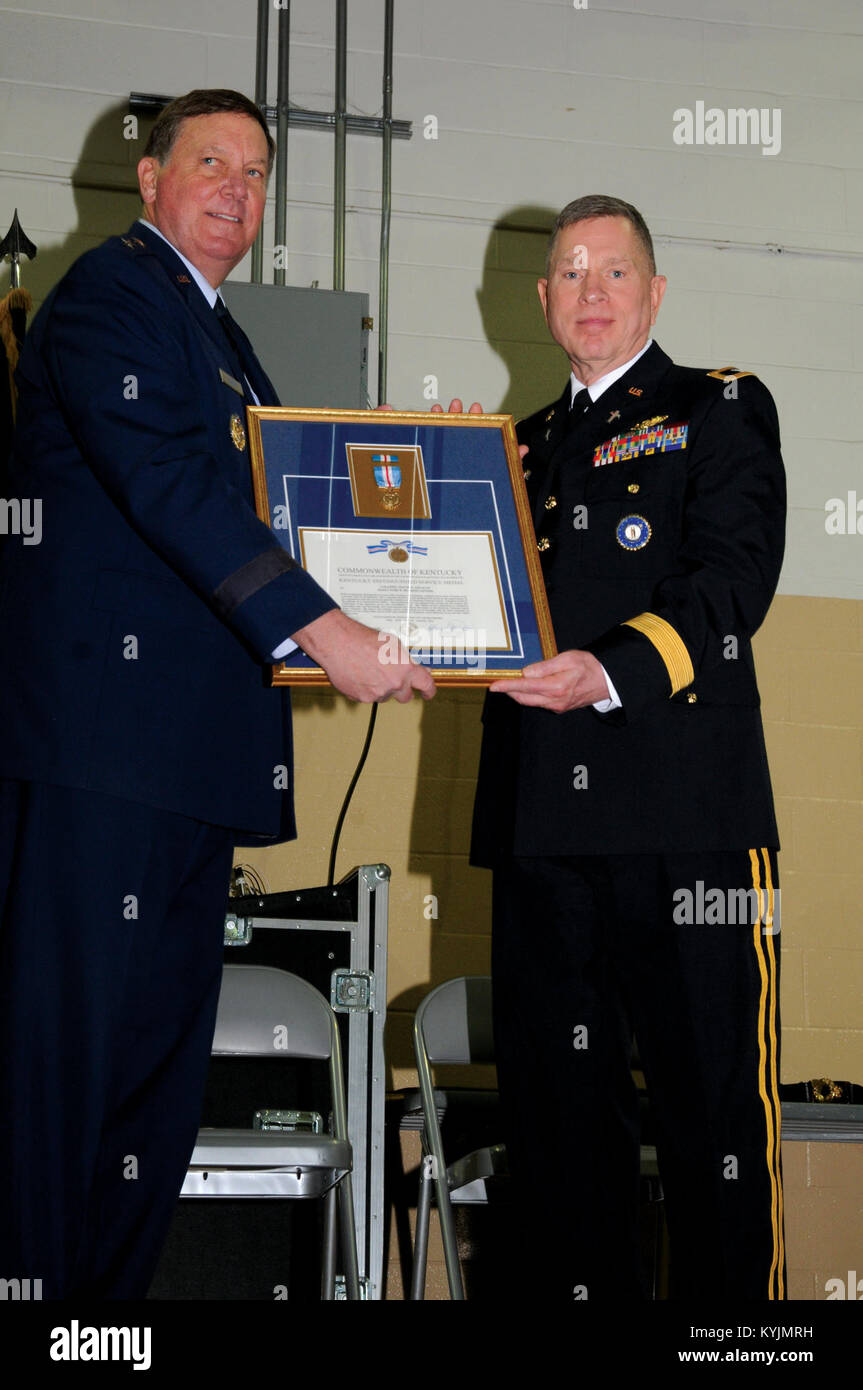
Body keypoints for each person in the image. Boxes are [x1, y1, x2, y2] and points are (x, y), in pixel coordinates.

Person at [0, 88, 437, 1300]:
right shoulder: (111, 295)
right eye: (209, 163)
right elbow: (170, 485)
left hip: (184, 767)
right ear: (149, 179)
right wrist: (323, 627)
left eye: (254, 174)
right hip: (103, 756)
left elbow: (287, 504)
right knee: (64, 1074)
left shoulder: (222, 339)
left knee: (151, 1091)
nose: (235, 191)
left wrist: (429, 484)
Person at [471, 194, 786, 1300]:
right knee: (557, 1134)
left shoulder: (717, 406)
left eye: (612, 272)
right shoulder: (511, 449)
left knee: (712, 1118)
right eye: (568, 272)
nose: (590, 291)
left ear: (653, 294)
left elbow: (731, 580)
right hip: (541, 834)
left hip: (685, 825)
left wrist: (608, 672)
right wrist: (439, 477)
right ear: (541, 300)